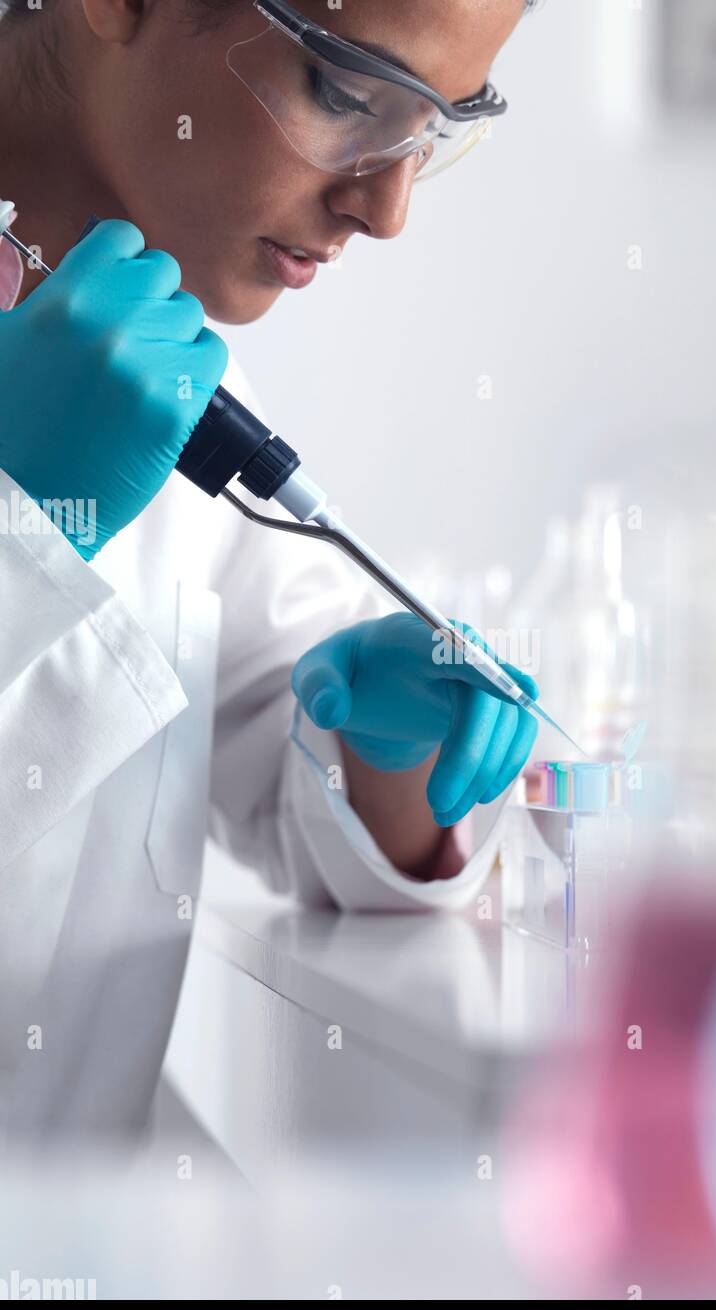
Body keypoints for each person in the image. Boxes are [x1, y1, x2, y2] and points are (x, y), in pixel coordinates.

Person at [0, 0, 539, 1137]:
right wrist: (25, 531)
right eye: (346, 95)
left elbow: (288, 751)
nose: (385, 210)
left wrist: (386, 748)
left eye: (432, 130)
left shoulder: (158, 390)